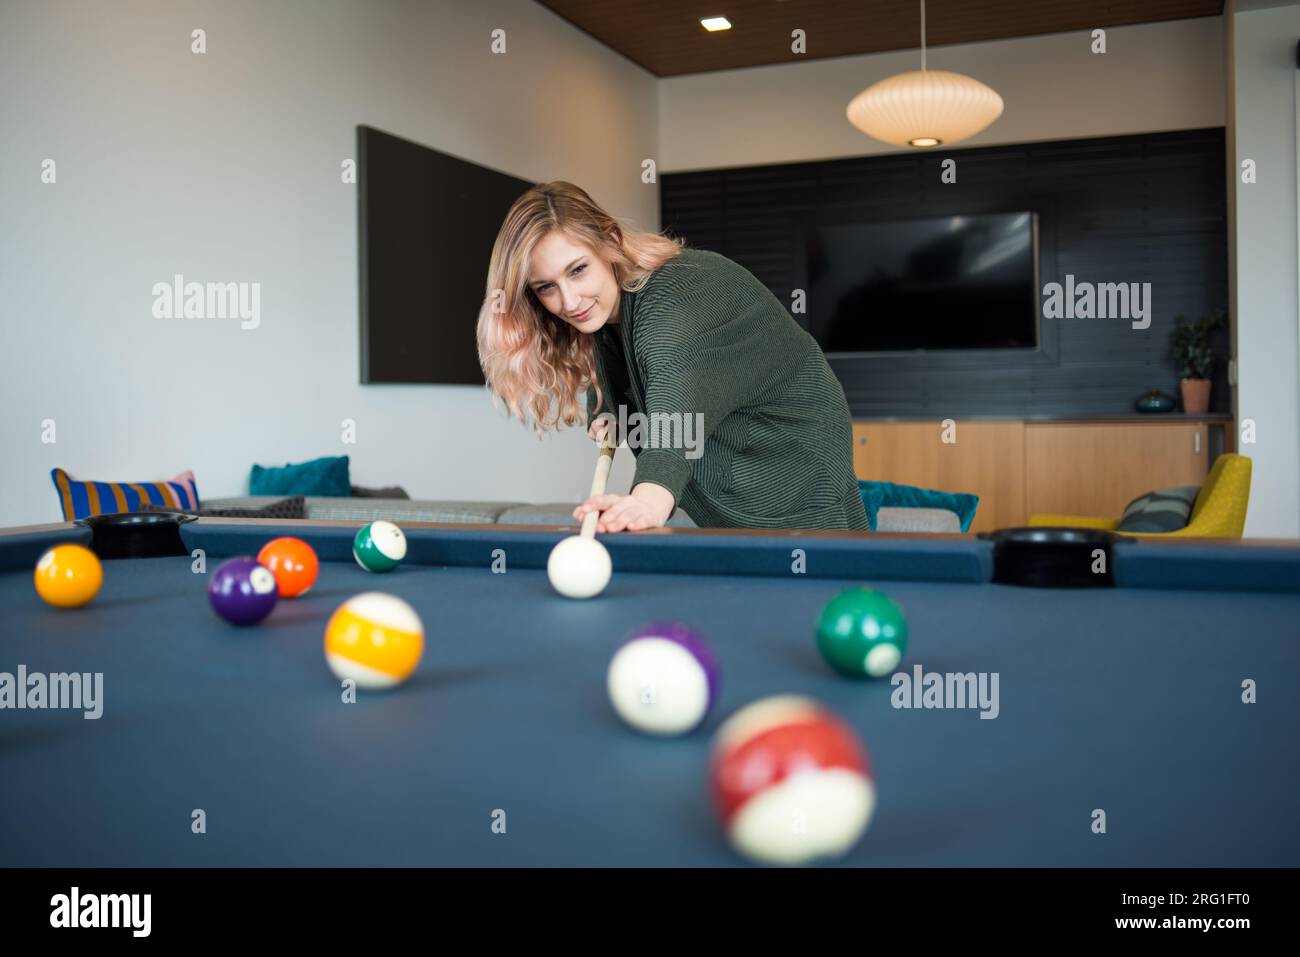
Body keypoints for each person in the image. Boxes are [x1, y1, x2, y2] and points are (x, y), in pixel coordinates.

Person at [476, 181, 868, 533]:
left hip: (793, 462)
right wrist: (608, 409)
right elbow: (635, 374)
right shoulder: (608, 315)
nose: (569, 301)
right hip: (735, 475)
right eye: (546, 287)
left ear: (610, 242)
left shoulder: (677, 295)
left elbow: (676, 404)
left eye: (578, 270)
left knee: (813, 589)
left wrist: (649, 499)